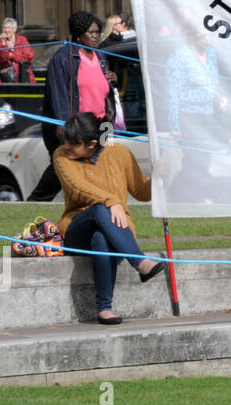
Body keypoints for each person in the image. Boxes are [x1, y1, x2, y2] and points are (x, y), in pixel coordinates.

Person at [53, 112, 164, 324]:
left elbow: (141, 192)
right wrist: (111, 201)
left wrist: (160, 176)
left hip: (115, 227)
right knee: (99, 210)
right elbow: (77, 188)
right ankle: (140, 262)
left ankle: (104, 308)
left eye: (73, 144)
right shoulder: (61, 156)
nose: (66, 146)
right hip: (77, 227)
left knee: (101, 238)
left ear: (92, 144)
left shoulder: (119, 153)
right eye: (65, 140)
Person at [29, 11, 118, 202]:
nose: (96, 36)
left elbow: (104, 88)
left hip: (102, 123)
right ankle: (36, 202)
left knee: (100, 164)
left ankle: (95, 204)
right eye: (91, 32)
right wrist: (63, 124)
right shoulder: (62, 58)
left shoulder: (101, 57)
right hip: (75, 125)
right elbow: (57, 92)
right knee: (63, 167)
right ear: (79, 34)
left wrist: (112, 80)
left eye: (97, 32)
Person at [164, 19, 226, 197]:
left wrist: (220, 98)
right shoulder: (179, 57)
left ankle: (195, 194)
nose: (207, 39)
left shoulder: (211, 54)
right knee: (193, 159)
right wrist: (175, 126)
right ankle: (183, 195)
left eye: (209, 35)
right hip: (188, 115)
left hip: (209, 113)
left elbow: (214, 81)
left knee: (205, 158)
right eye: (203, 35)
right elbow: (172, 93)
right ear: (191, 36)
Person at [0, 17, 35, 83]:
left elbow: (29, 56)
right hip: (6, 78)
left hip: (24, 76)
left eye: (8, 28)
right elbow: (2, 59)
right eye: (4, 28)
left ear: (14, 29)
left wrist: (11, 55)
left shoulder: (22, 40)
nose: (6, 30)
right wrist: (3, 44)